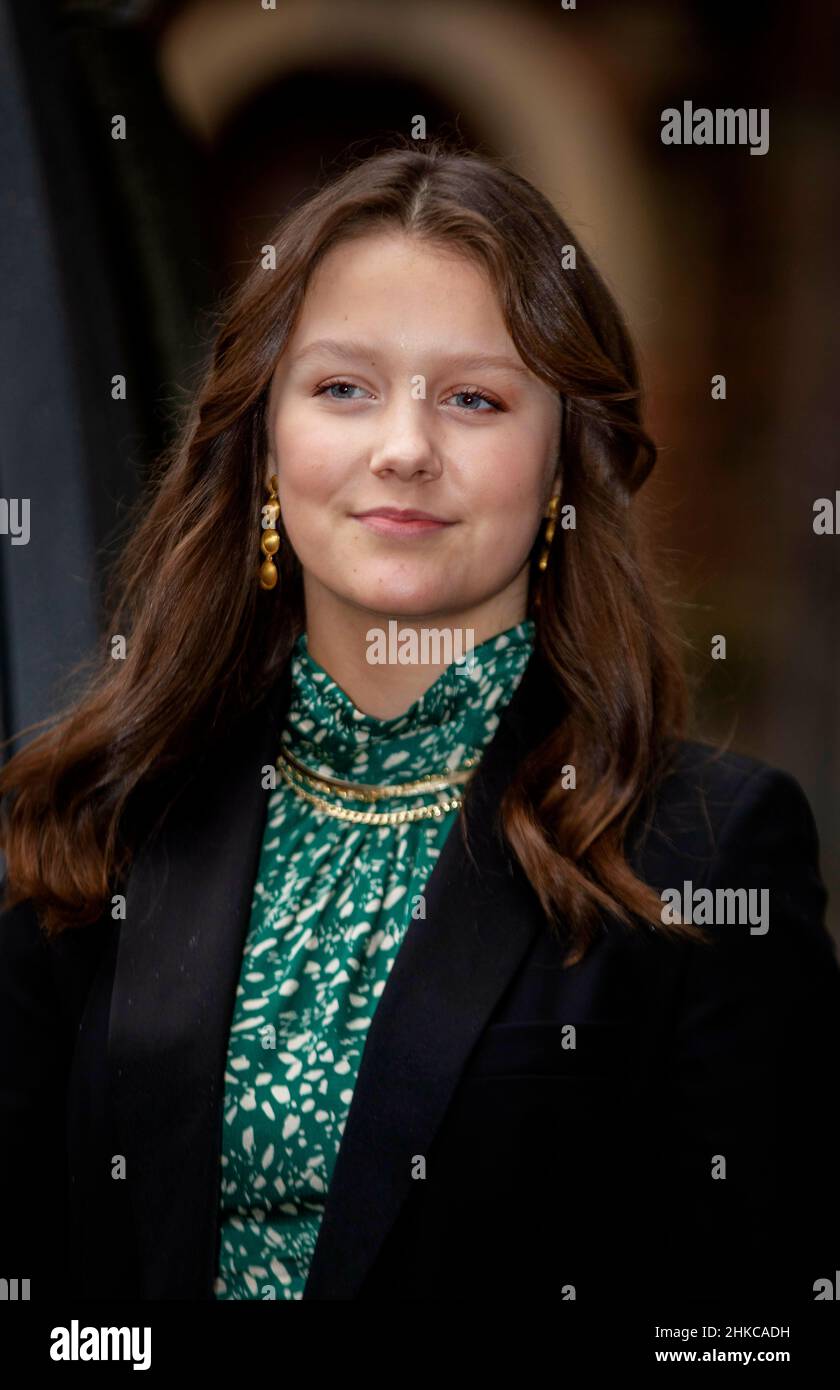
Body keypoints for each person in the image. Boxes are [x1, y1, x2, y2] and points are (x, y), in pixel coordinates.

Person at [1, 138, 838, 1305]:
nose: (403, 449)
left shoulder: (705, 851)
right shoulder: (96, 818)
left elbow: (758, 1321)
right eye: (343, 387)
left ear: (559, 466)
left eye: (474, 398)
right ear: (264, 447)